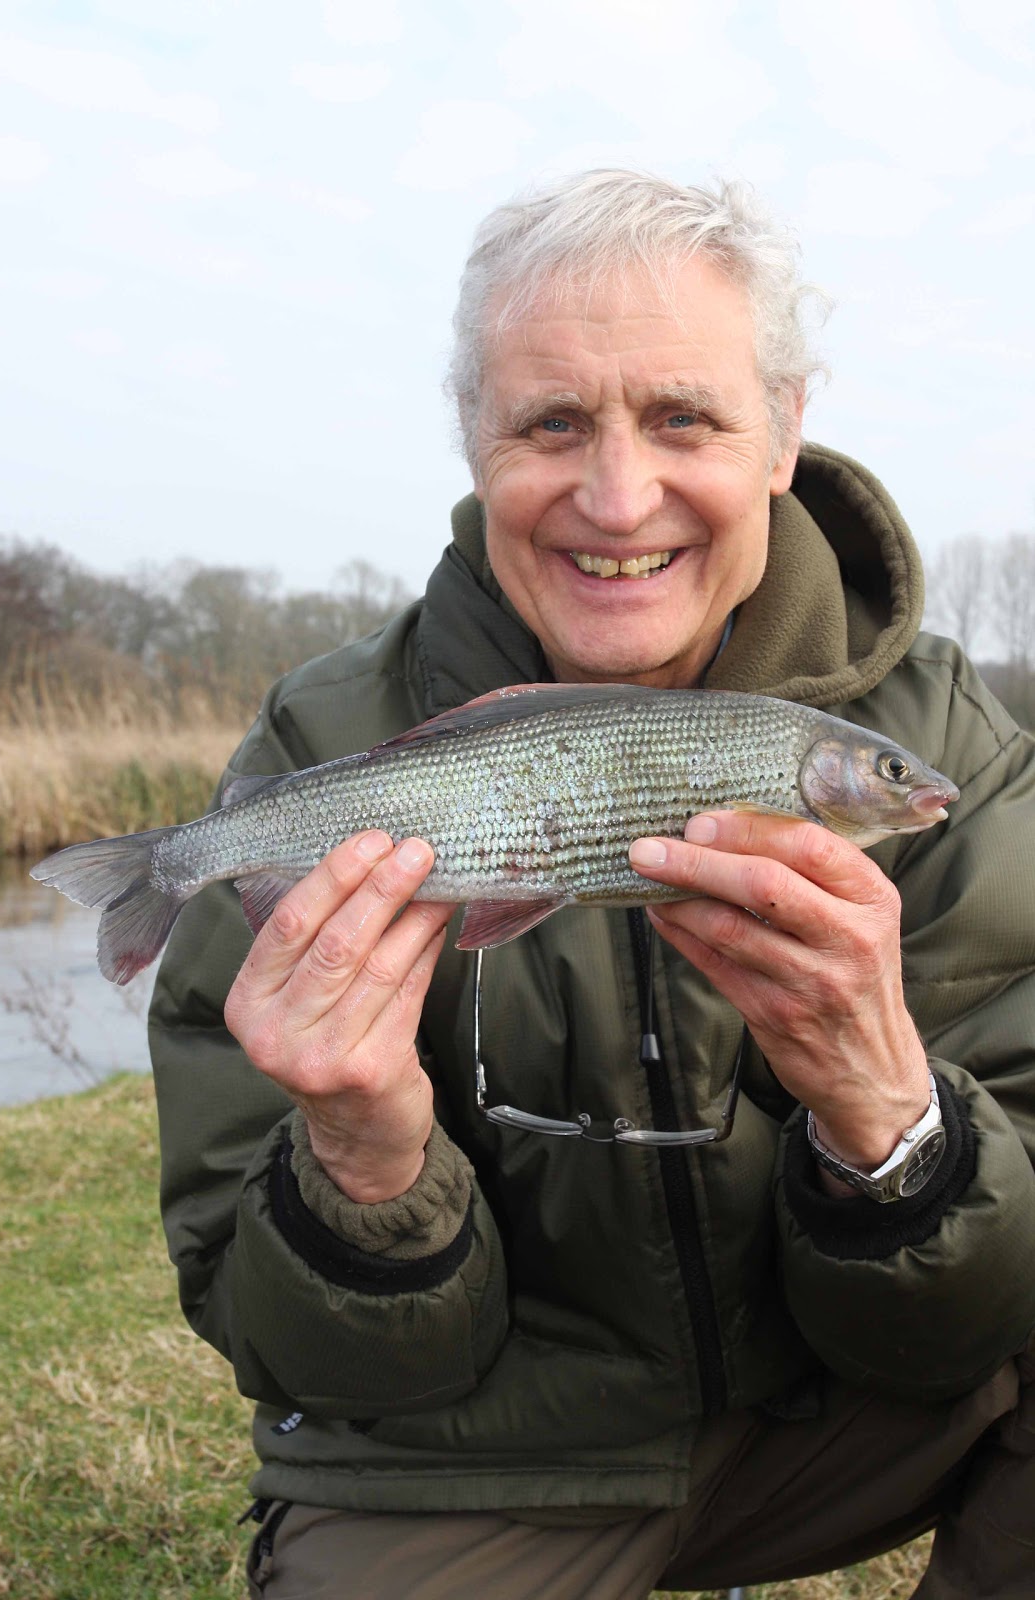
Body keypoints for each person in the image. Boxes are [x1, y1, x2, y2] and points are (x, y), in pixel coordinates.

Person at [148, 171, 1035, 1599]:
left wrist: (890, 1126)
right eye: (552, 422)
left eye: (683, 416)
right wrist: (363, 1161)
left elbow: (975, 1313)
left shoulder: (958, 759)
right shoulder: (318, 750)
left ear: (785, 430)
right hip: (478, 1456)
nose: (618, 496)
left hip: (842, 1413)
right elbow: (285, 1346)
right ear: (474, 441)